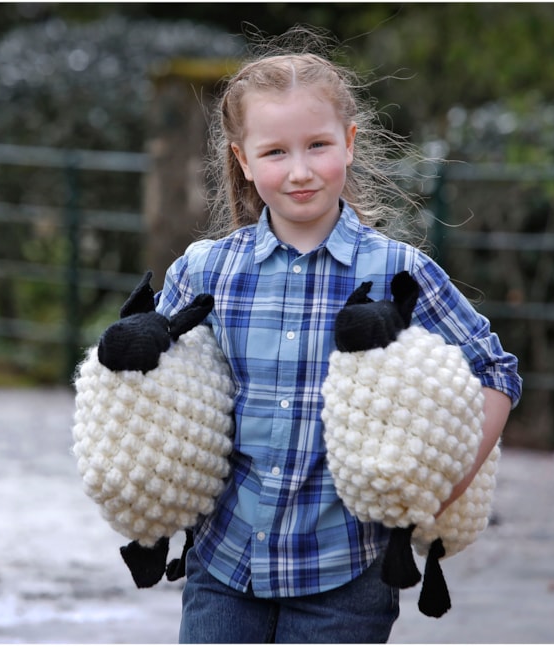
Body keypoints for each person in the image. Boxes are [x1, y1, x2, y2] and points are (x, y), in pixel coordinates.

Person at [152, 28, 522, 643]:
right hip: (223, 564)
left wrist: (440, 484)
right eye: (274, 153)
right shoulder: (204, 271)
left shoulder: (398, 272)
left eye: (317, 145)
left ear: (348, 145)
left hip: (346, 574)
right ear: (243, 160)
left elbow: (495, 371)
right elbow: (156, 381)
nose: (299, 171)